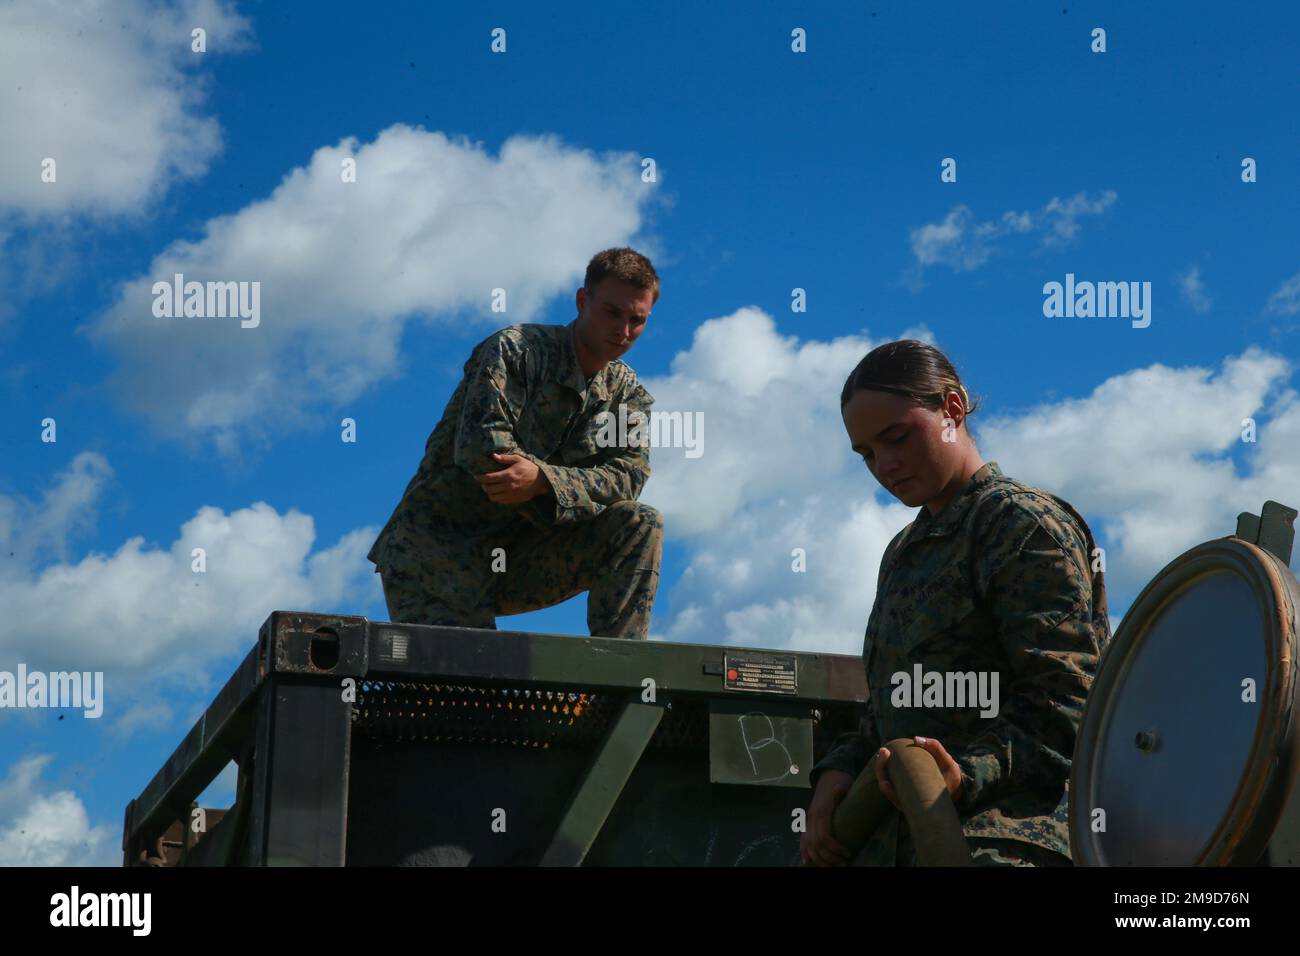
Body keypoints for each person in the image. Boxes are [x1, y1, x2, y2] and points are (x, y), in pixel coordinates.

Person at [800, 340, 1111, 866]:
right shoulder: (903, 553)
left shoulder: (1022, 525)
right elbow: (887, 715)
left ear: (952, 408)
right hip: (899, 842)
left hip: (1010, 842)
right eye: (867, 454)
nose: (885, 465)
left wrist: (964, 776)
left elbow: (1073, 708)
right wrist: (837, 772)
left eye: (897, 438)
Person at [366, 247, 664, 640]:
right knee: (463, 693)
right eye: (612, 313)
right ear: (582, 301)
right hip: (439, 556)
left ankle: (623, 679)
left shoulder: (627, 395)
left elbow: (628, 476)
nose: (623, 331)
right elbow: (485, 451)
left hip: (523, 557)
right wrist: (562, 485)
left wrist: (545, 479)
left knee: (641, 522)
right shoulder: (516, 351)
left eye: (637, 320)